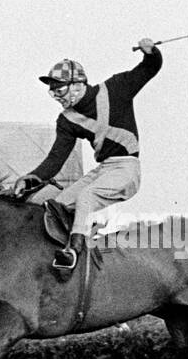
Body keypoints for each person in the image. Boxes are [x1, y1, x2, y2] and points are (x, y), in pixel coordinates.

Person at [14, 37, 162, 276]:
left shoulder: (115, 88)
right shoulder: (66, 120)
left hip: (127, 169)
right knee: (56, 207)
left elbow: (149, 69)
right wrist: (30, 178)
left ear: (77, 84)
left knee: (86, 196)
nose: (56, 96)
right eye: (52, 92)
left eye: (59, 89)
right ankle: (70, 254)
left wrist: (151, 52)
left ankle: (74, 250)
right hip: (103, 169)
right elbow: (55, 160)